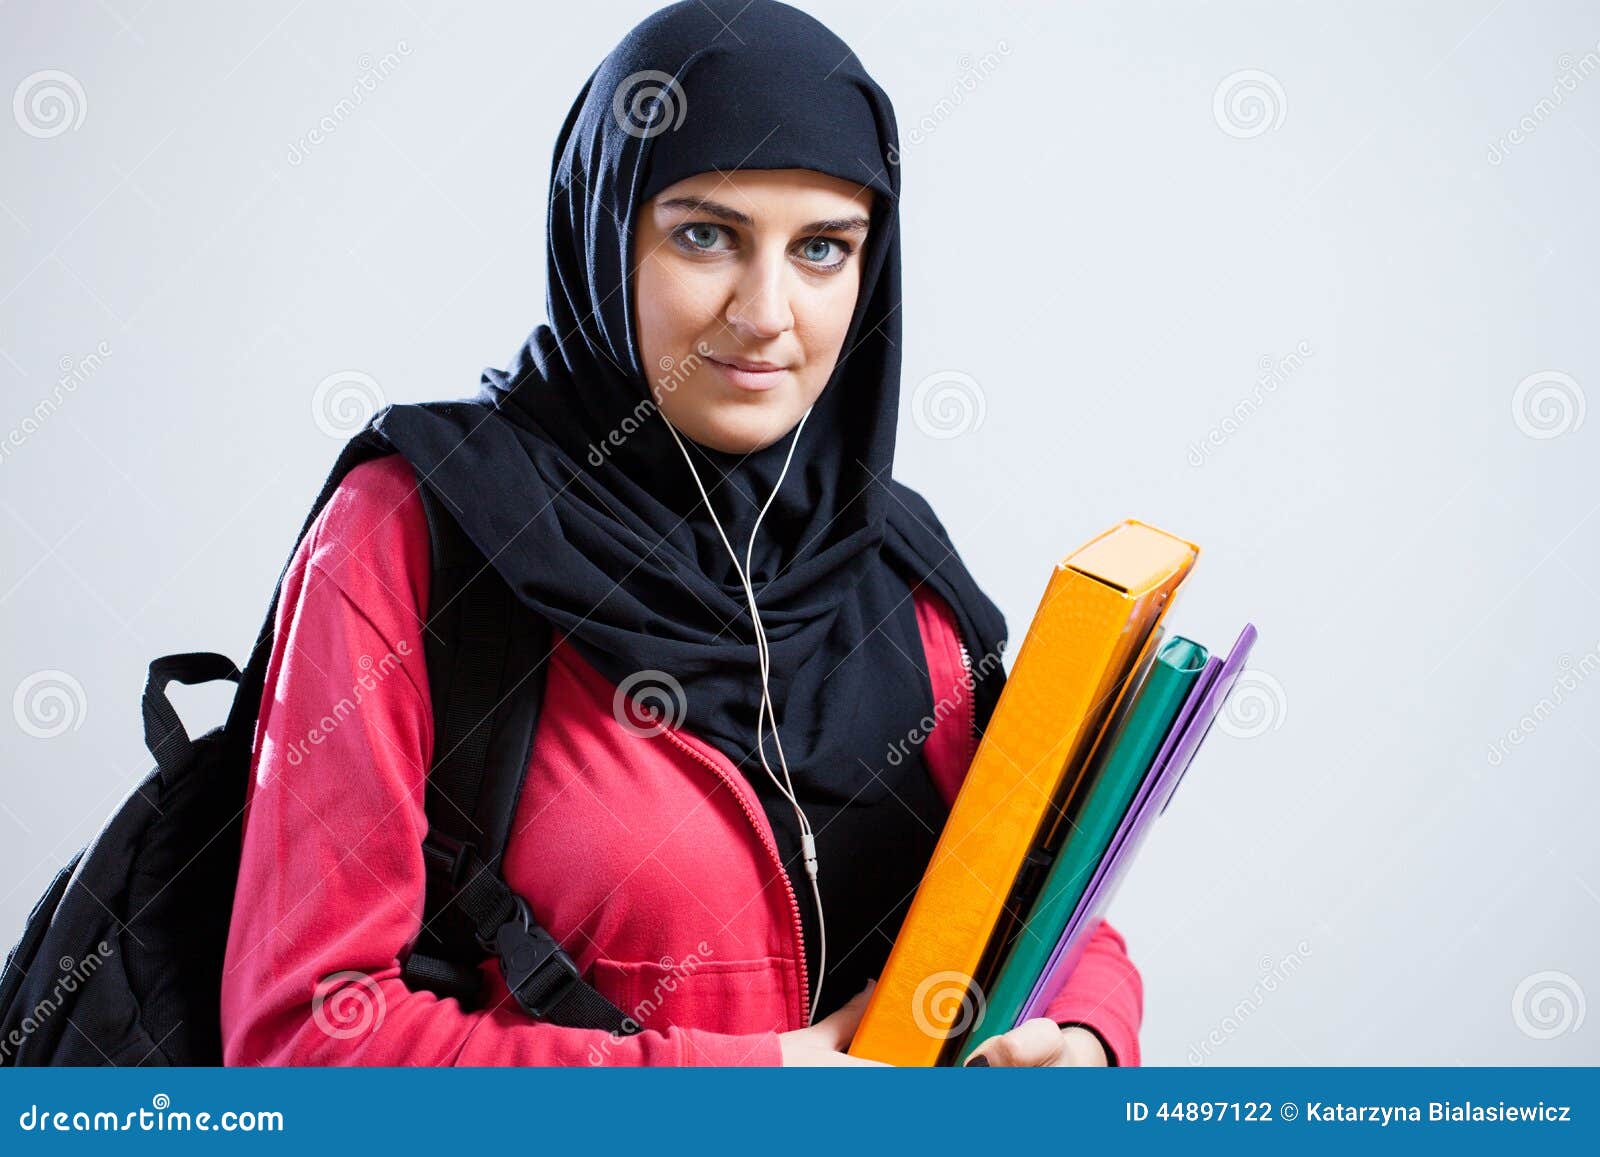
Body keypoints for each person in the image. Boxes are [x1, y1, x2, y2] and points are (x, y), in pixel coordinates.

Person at [220, 0, 1143, 1067]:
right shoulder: (417, 532)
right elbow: (306, 1041)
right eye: (705, 235)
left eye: (822, 248)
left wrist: (1084, 1033)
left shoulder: (897, 558)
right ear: (603, 226)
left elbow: (1044, 891)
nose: (766, 312)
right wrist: (762, 1080)